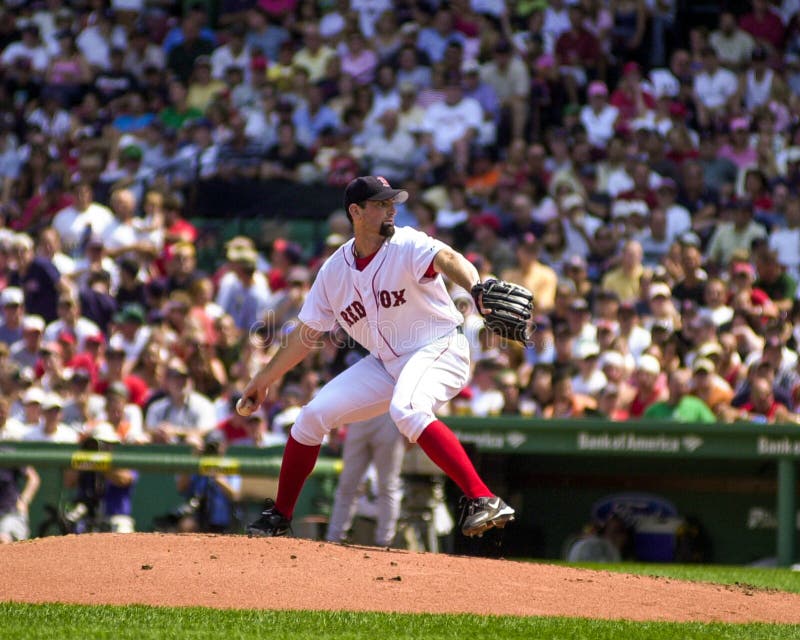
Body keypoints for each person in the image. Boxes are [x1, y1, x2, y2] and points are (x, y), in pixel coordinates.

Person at [239, 176, 515, 538]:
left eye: (392, 203)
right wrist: (264, 379)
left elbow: (447, 257)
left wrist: (476, 288)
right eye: (382, 204)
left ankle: (483, 499)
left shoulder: (406, 243)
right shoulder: (334, 271)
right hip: (387, 362)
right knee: (311, 417)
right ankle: (280, 515)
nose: (391, 210)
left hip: (439, 346)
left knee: (408, 410)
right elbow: (306, 335)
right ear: (356, 211)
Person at [325, 413, 406, 548]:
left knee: (388, 485)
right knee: (347, 484)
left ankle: (385, 541)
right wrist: (335, 424)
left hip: (389, 419)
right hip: (359, 418)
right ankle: (334, 538)